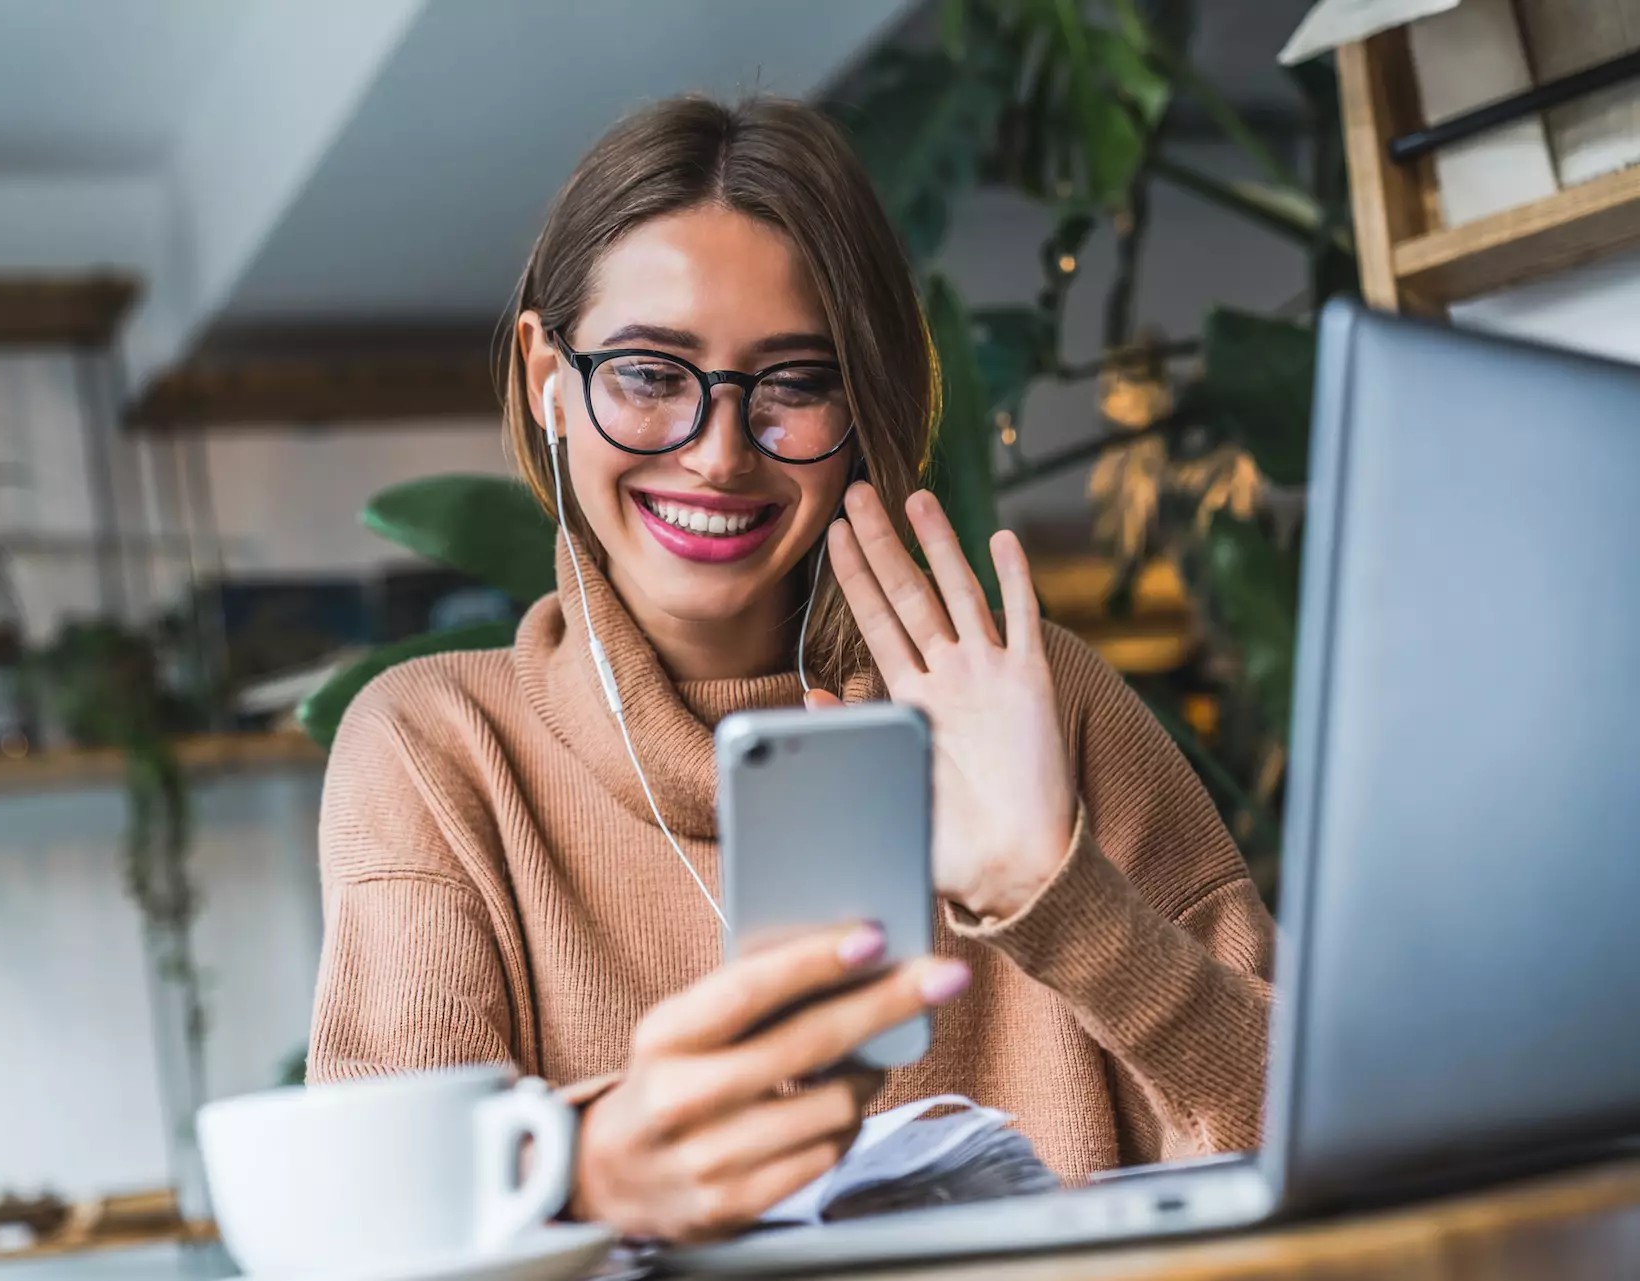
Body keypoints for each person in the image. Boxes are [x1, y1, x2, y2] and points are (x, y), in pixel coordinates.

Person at [310, 95, 1273, 1243]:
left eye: (796, 383)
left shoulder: (1030, 701)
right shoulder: (435, 751)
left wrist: (1053, 898)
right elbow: (377, 1238)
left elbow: (1325, 1154)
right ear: (546, 379)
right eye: (651, 375)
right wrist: (583, 1179)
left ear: (860, 406)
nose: (719, 454)